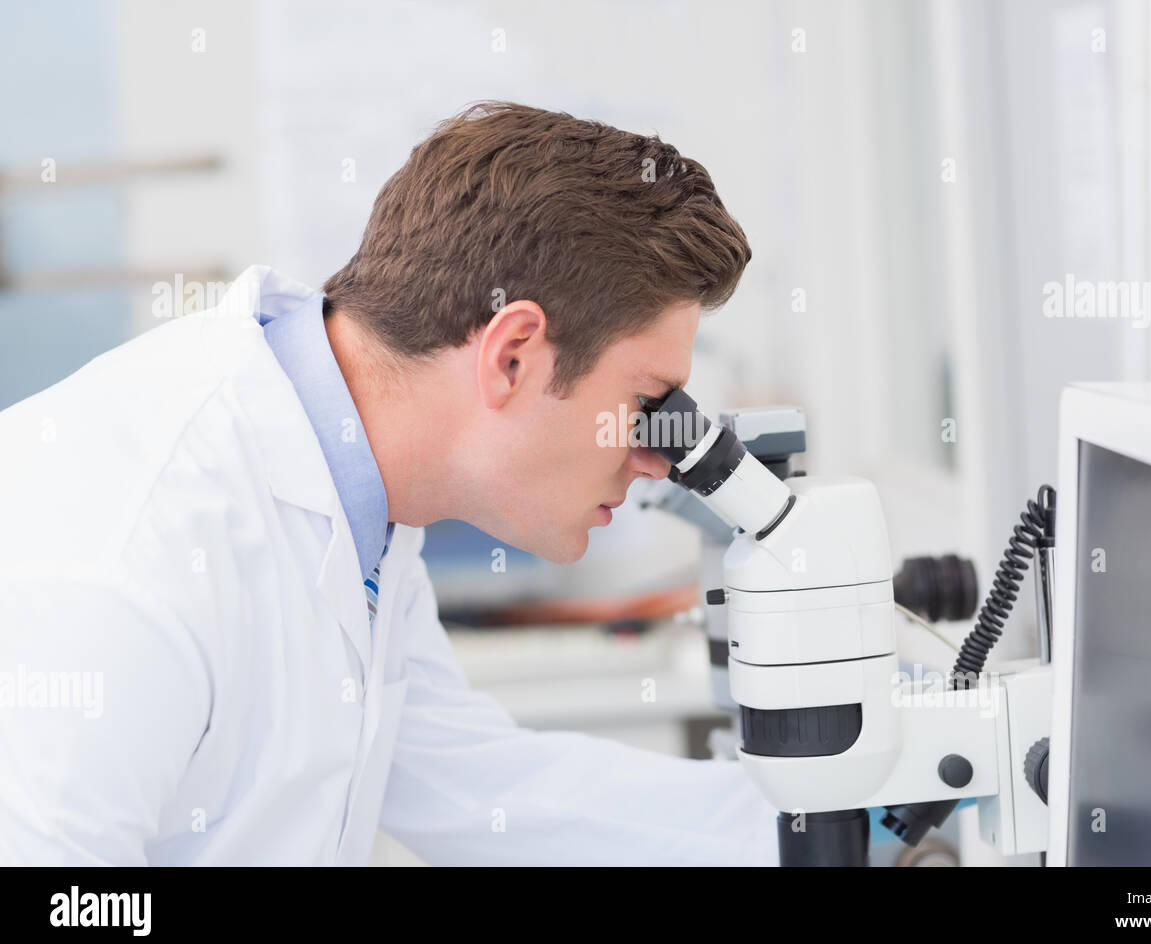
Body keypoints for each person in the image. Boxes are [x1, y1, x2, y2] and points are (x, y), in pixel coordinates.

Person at [0, 101, 779, 865]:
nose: (654, 457)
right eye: (647, 405)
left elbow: (473, 784)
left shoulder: (369, 499)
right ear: (513, 356)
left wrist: (820, 824)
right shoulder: (136, 541)